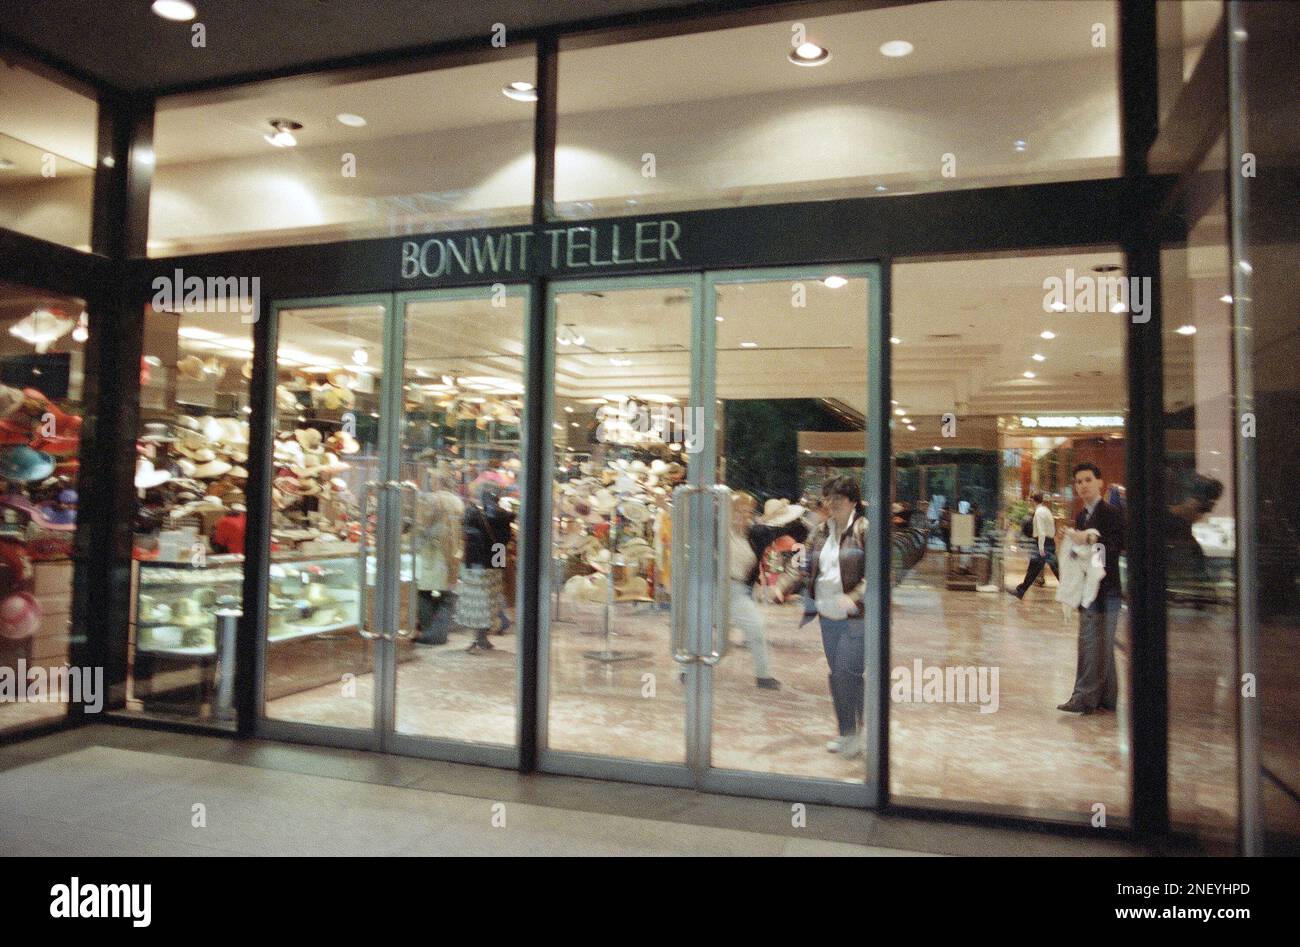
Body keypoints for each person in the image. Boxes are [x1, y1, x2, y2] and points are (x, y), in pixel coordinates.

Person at [774, 475, 868, 757]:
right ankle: (848, 732)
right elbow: (801, 565)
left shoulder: (864, 530)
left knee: (845, 673)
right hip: (827, 615)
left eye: (838, 498)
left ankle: (856, 733)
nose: (832, 503)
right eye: (829, 498)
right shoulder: (820, 533)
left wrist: (853, 597)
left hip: (856, 617)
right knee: (838, 675)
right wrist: (781, 586)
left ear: (853, 501)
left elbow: (878, 574)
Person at [1057, 462, 1125, 715]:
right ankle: (1107, 698)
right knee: (1100, 644)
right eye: (1079, 481)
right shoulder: (1082, 516)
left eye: (1087, 480)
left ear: (1100, 483)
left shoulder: (1111, 513)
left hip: (1106, 590)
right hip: (1090, 589)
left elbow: (1116, 547)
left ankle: (1084, 697)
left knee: (1092, 643)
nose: (1083, 485)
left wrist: (1090, 539)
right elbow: (1086, 556)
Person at [727, 493, 807, 691]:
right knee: (703, 630)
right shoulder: (718, 532)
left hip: (738, 590)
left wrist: (779, 587)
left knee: (756, 628)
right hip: (713, 588)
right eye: (738, 511)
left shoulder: (755, 534)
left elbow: (781, 531)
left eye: (748, 512)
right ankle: (688, 668)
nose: (743, 516)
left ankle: (763, 675)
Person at [412, 471, 464, 645]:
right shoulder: (458, 502)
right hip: (452, 553)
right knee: (446, 594)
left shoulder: (431, 499)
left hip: (433, 553)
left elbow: (421, 526)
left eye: (432, 479)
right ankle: (440, 632)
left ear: (437, 481)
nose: (430, 482)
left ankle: (430, 634)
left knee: (424, 592)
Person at [1011, 491, 1059, 599]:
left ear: (1033, 500)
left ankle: (1021, 591)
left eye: (1030, 500)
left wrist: (1041, 547)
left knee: (1054, 569)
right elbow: (1052, 528)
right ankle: (1021, 591)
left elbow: (1041, 531)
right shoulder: (1046, 510)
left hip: (1044, 543)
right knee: (1035, 568)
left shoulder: (1039, 512)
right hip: (1048, 542)